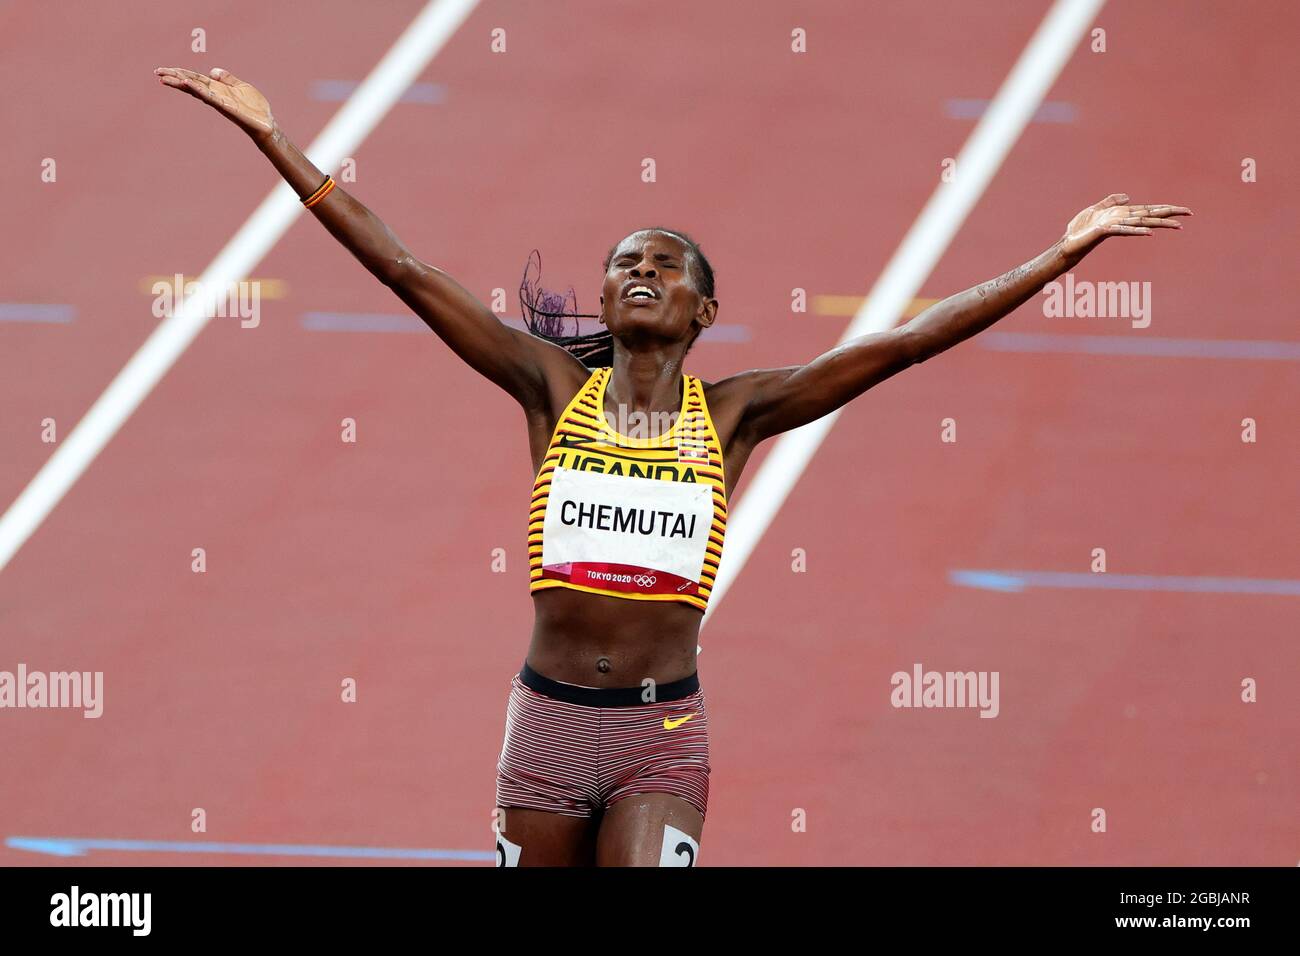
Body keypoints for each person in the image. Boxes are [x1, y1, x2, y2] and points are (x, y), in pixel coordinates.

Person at [155, 65, 1191, 866]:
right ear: (603, 306)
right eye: (623, 263)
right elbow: (400, 266)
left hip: (662, 729)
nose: (639, 270)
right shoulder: (551, 389)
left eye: (665, 264)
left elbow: (907, 345)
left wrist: (1057, 256)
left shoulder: (737, 413)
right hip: (547, 723)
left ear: (701, 312)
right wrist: (273, 137)